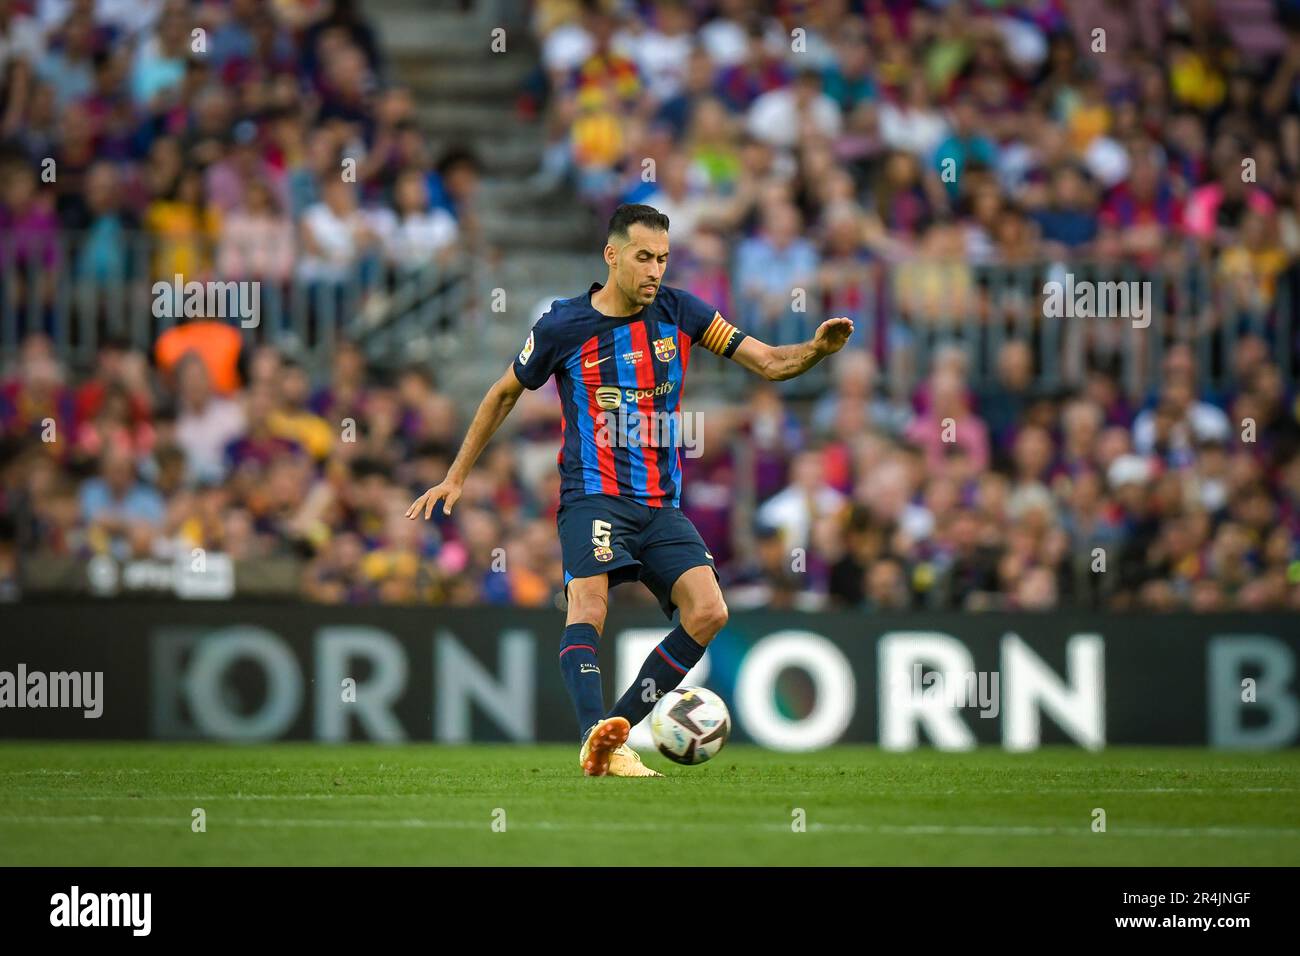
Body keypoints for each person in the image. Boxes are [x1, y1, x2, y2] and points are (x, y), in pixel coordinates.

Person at [406, 204, 854, 776]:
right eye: (644, 257)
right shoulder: (563, 326)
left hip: (659, 506)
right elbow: (502, 394)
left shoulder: (680, 311)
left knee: (709, 611)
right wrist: (457, 474)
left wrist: (816, 352)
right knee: (589, 603)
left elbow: (766, 362)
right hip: (592, 498)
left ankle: (611, 737)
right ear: (612, 256)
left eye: (663, 259)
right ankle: (598, 734)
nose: (655, 271)